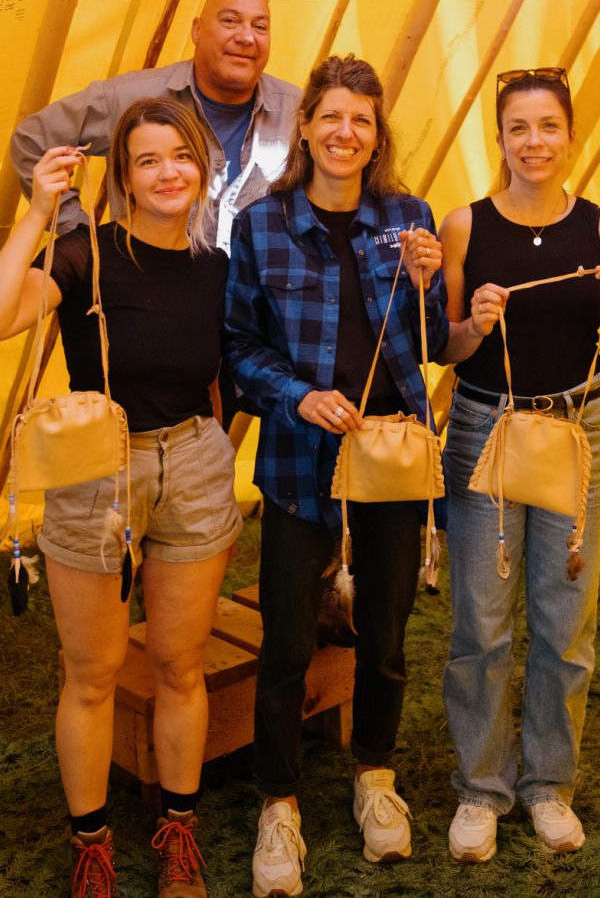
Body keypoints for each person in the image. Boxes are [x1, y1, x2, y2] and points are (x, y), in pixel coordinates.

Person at [0, 98, 242, 898]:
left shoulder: (215, 267)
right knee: (91, 672)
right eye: (148, 159)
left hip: (191, 464)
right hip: (98, 468)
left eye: (181, 156)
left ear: (202, 166)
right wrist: (37, 213)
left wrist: (217, 445)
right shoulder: (85, 255)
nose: (168, 172)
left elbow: (221, 368)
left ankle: (178, 836)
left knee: (179, 664)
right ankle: (93, 846)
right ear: (123, 176)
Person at [225, 55, 470, 898]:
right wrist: (297, 394)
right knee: (288, 640)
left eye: (361, 120)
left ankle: (375, 777)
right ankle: (278, 803)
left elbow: (432, 344)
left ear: (377, 136)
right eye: (331, 116)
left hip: (393, 457)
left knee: (388, 636)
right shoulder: (260, 226)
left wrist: (433, 284)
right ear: (305, 128)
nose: (344, 132)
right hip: (299, 457)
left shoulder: (406, 218)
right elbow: (238, 350)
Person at [438, 67, 600, 861]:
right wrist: (473, 322)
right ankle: (480, 789)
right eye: (518, 128)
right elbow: (448, 348)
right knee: (482, 621)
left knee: (565, 623)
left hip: (577, 432)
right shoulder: (464, 226)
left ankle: (549, 786)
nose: (535, 142)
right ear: (499, 140)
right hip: (484, 430)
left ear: (571, 135)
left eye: (548, 127)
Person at [10, 0, 300, 254]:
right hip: (146, 293)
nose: (246, 37)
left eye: (260, 26)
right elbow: (33, 141)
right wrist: (89, 238)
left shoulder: (298, 112)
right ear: (197, 30)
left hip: (255, 301)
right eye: (229, 21)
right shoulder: (130, 99)